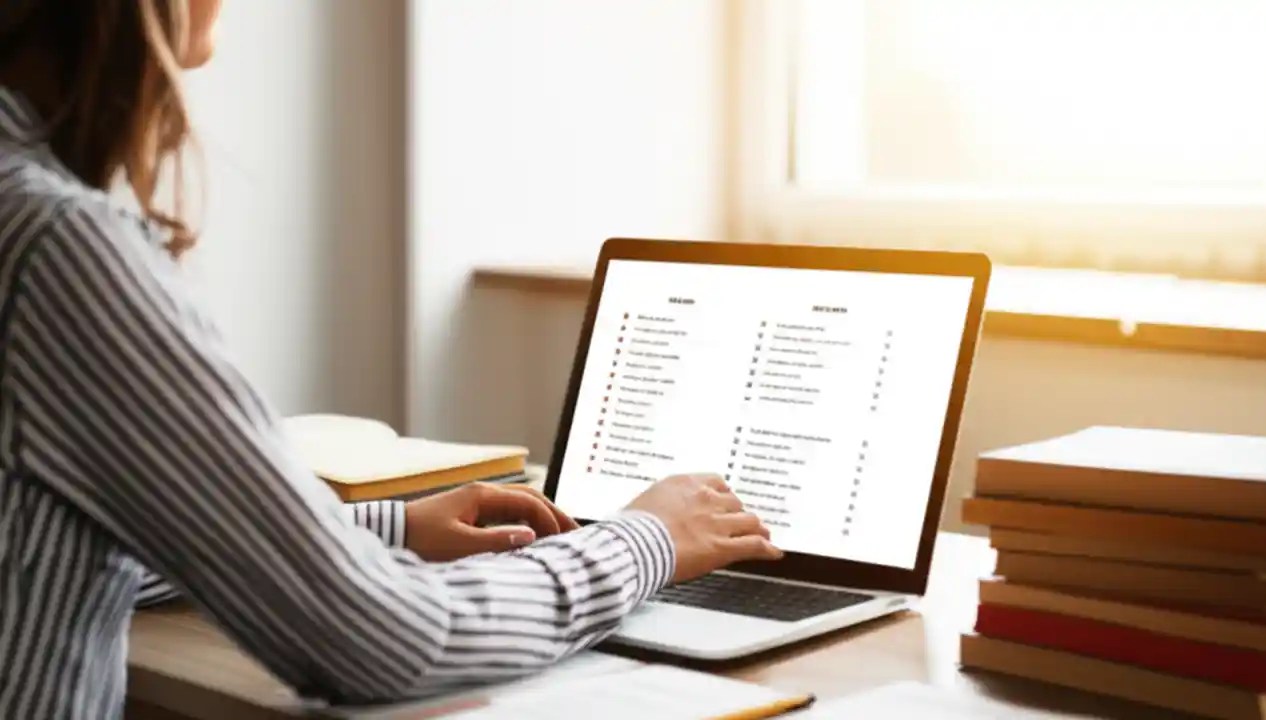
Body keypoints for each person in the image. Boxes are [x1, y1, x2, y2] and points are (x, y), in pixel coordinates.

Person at [0, 2, 783, 718]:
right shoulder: (60, 252)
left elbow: (61, 544)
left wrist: (385, 528)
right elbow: (380, 639)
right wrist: (647, 537)